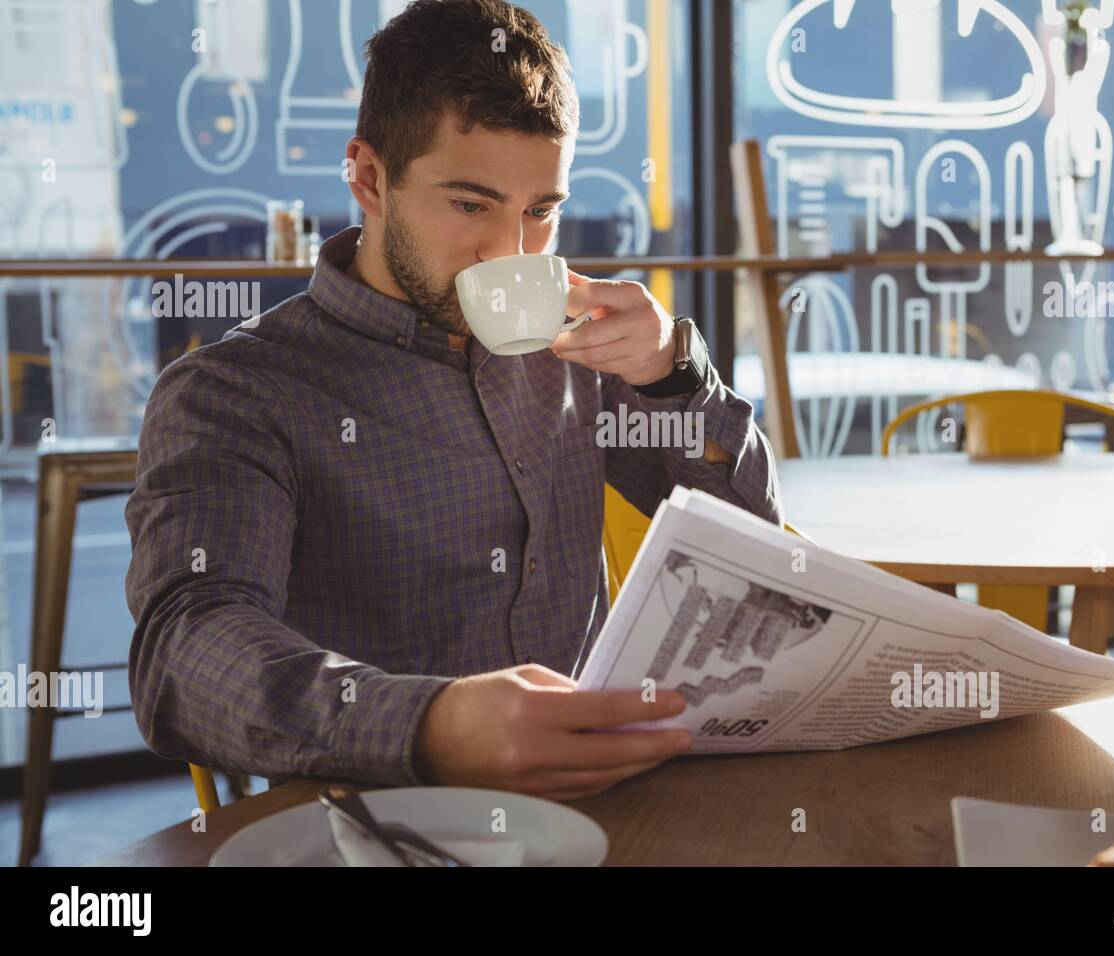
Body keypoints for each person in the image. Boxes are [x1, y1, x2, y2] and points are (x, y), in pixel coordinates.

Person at [125, 0, 782, 802]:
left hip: (601, 800)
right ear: (369, 178)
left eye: (541, 212)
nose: (511, 251)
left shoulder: (573, 351)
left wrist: (673, 377)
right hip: (375, 824)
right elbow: (184, 649)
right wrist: (430, 726)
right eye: (471, 205)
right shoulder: (237, 392)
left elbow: (754, 549)